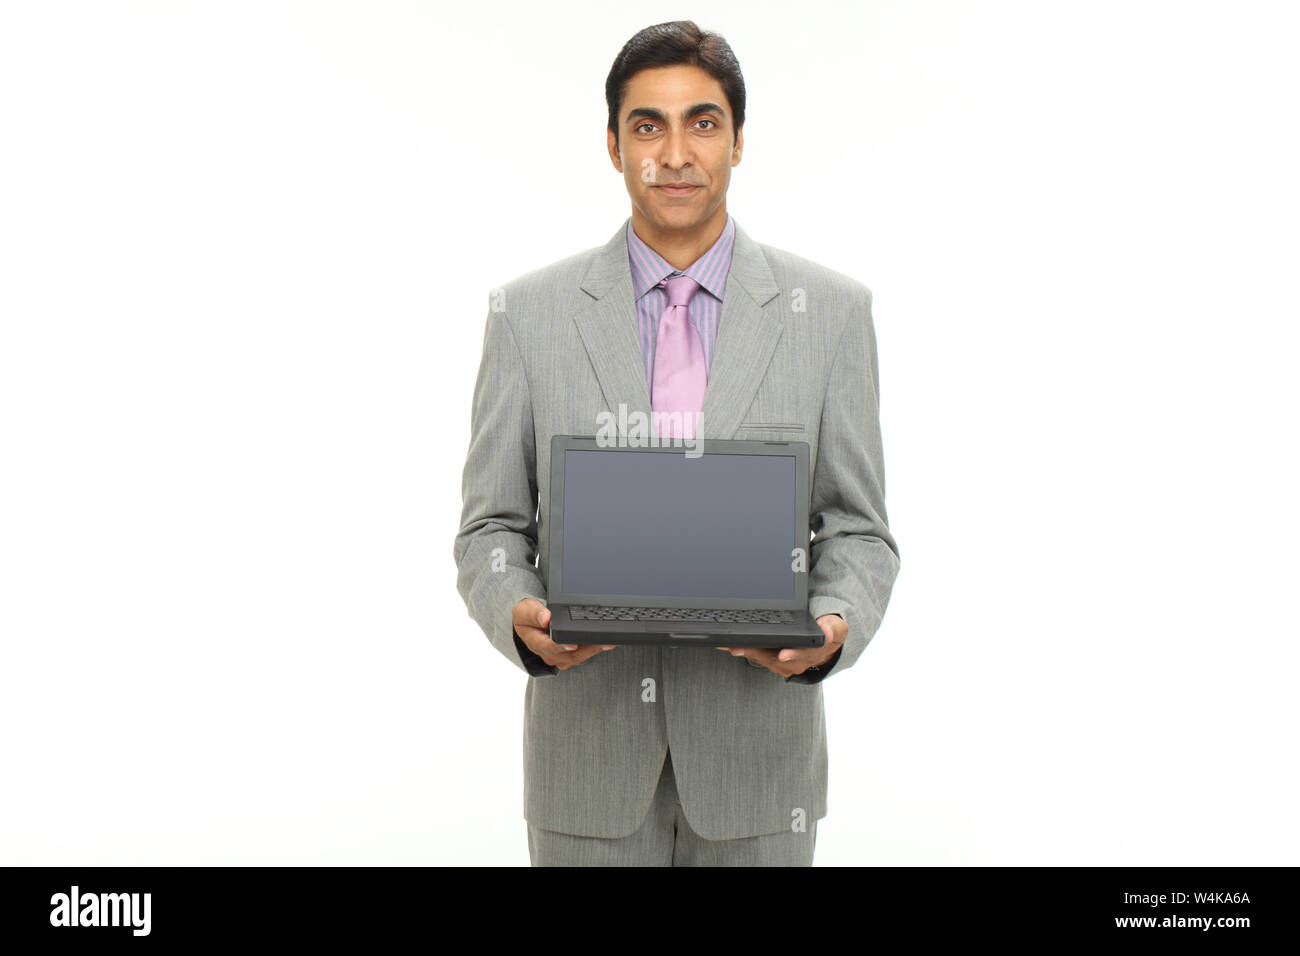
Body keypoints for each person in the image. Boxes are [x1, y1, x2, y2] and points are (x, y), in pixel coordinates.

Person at [453, 20, 900, 866]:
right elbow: (490, 527)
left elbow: (858, 529)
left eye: (702, 122)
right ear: (614, 146)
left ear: (737, 141)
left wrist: (833, 624)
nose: (675, 152)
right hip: (586, 769)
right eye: (647, 125)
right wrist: (516, 614)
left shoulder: (832, 316)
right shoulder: (528, 317)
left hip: (760, 772)